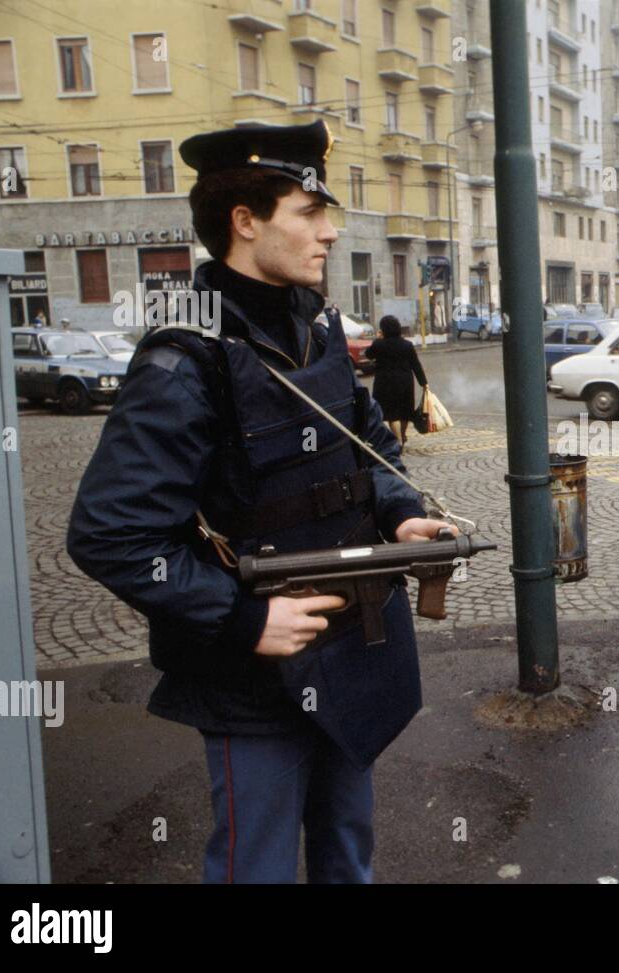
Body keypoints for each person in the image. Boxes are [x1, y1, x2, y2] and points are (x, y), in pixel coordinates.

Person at [65, 119, 454, 884]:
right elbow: (110, 533)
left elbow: (370, 446)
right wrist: (244, 617)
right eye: (309, 213)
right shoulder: (184, 360)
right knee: (259, 868)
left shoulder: (314, 326)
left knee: (349, 852)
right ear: (244, 222)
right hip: (252, 679)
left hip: (349, 651)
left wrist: (399, 510)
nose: (332, 231)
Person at [364, 315, 427, 444]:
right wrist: (424, 383)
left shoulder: (379, 344)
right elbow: (416, 365)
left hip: (385, 383)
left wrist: (378, 339)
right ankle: (402, 436)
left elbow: (368, 355)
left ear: (383, 329)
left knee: (391, 413)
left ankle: (397, 438)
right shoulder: (407, 345)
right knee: (404, 412)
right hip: (404, 382)